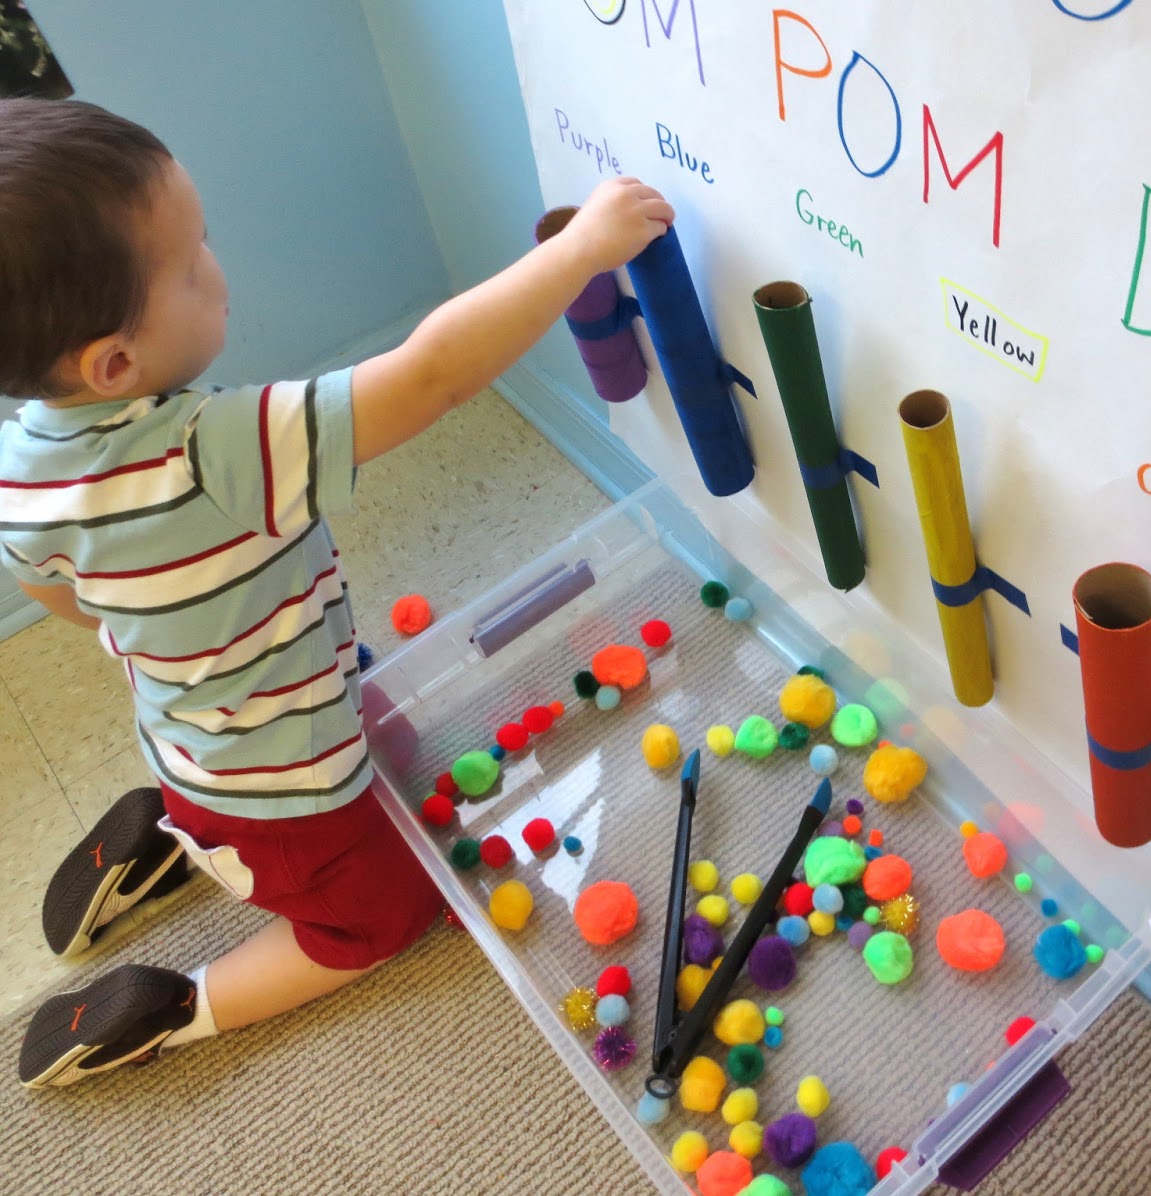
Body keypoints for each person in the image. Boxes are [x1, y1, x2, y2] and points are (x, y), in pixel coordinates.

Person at [0, 98, 673, 1087]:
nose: (216, 264)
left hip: (188, 731)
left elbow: (66, 599)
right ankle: (181, 1005)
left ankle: (175, 832)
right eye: (192, 261)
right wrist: (578, 250)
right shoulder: (216, 447)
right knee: (383, 916)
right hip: (291, 786)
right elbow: (432, 374)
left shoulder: (22, 459)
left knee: (231, 776)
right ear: (115, 363)